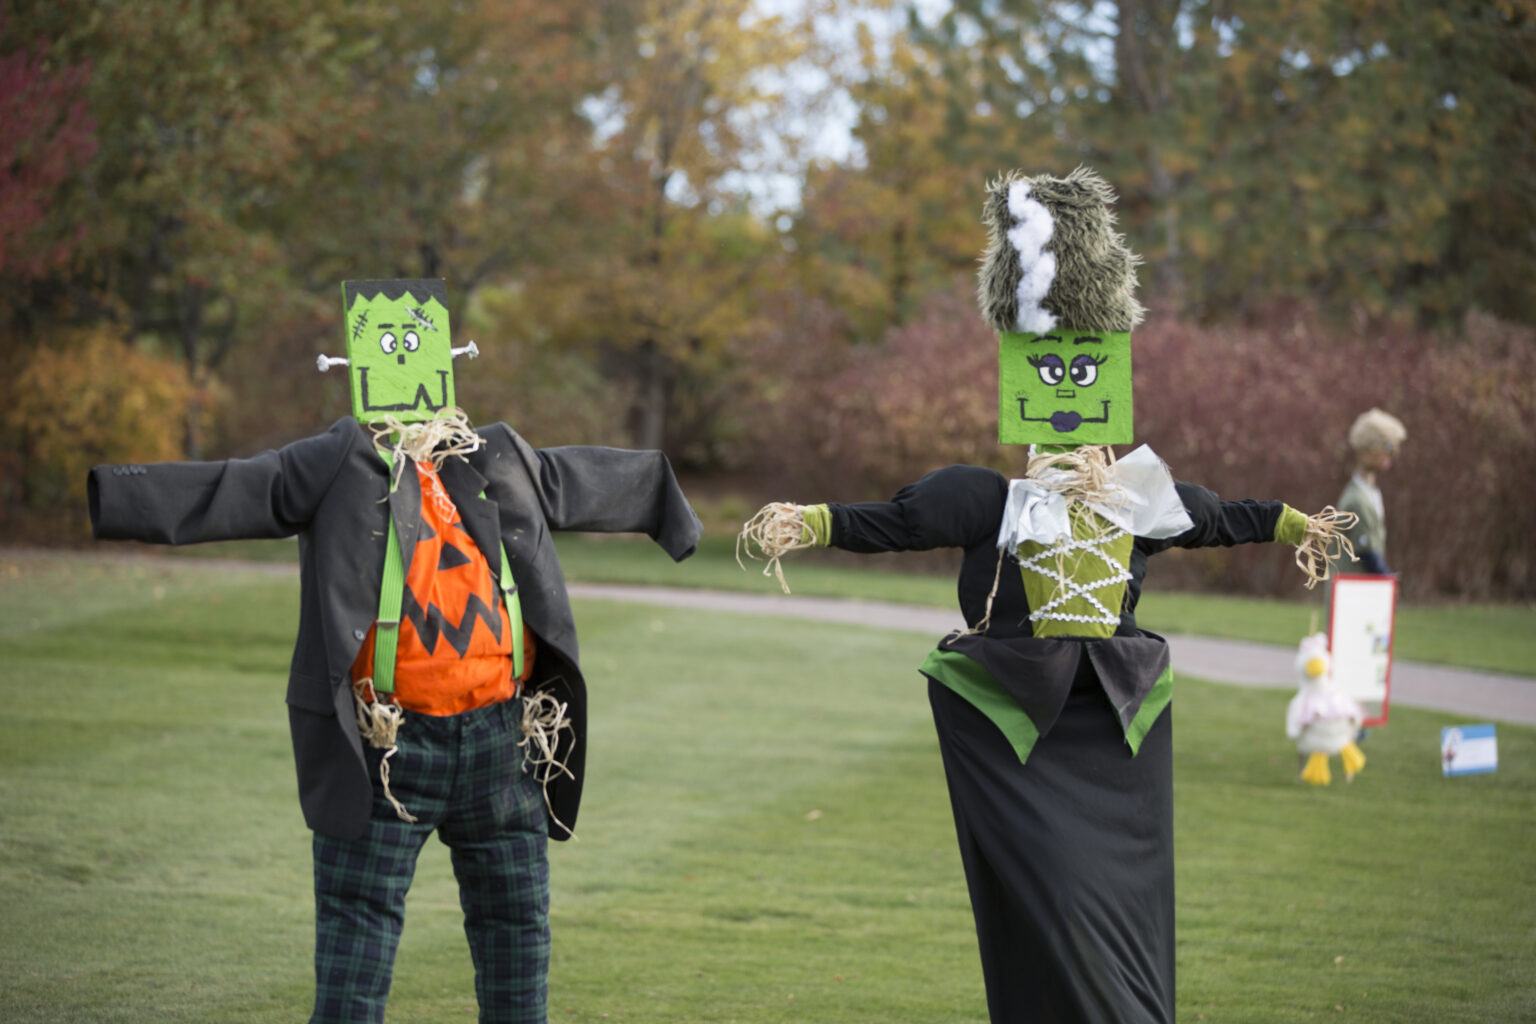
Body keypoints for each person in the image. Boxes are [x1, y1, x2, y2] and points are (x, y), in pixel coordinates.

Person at [738, 170, 1351, 1024]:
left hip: (1118, 728)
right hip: (1017, 720)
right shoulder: (992, 501)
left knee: (1116, 905)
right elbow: (898, 523)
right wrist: (810, 522)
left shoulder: (1138, 502)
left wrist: (1295, 526)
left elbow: (1221, 517)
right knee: (1052, 900)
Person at [87, 278, 701, 1024]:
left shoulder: (495, 453)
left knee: (517, 937)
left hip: (504, 744)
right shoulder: (341, 459)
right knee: (358, 942)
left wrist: (676, 518)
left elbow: (591, 479)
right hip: (385, 748)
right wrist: (115, 495)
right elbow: (245, 488)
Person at [1336, 408, 1406, 576]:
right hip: (1353, 587)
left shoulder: (1369, 492)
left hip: (1360, 587)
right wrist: (1388, 579)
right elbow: (1366, 552)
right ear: (1370, 449)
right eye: (1388, 447)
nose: (1392, 455)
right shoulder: (1357, 500)